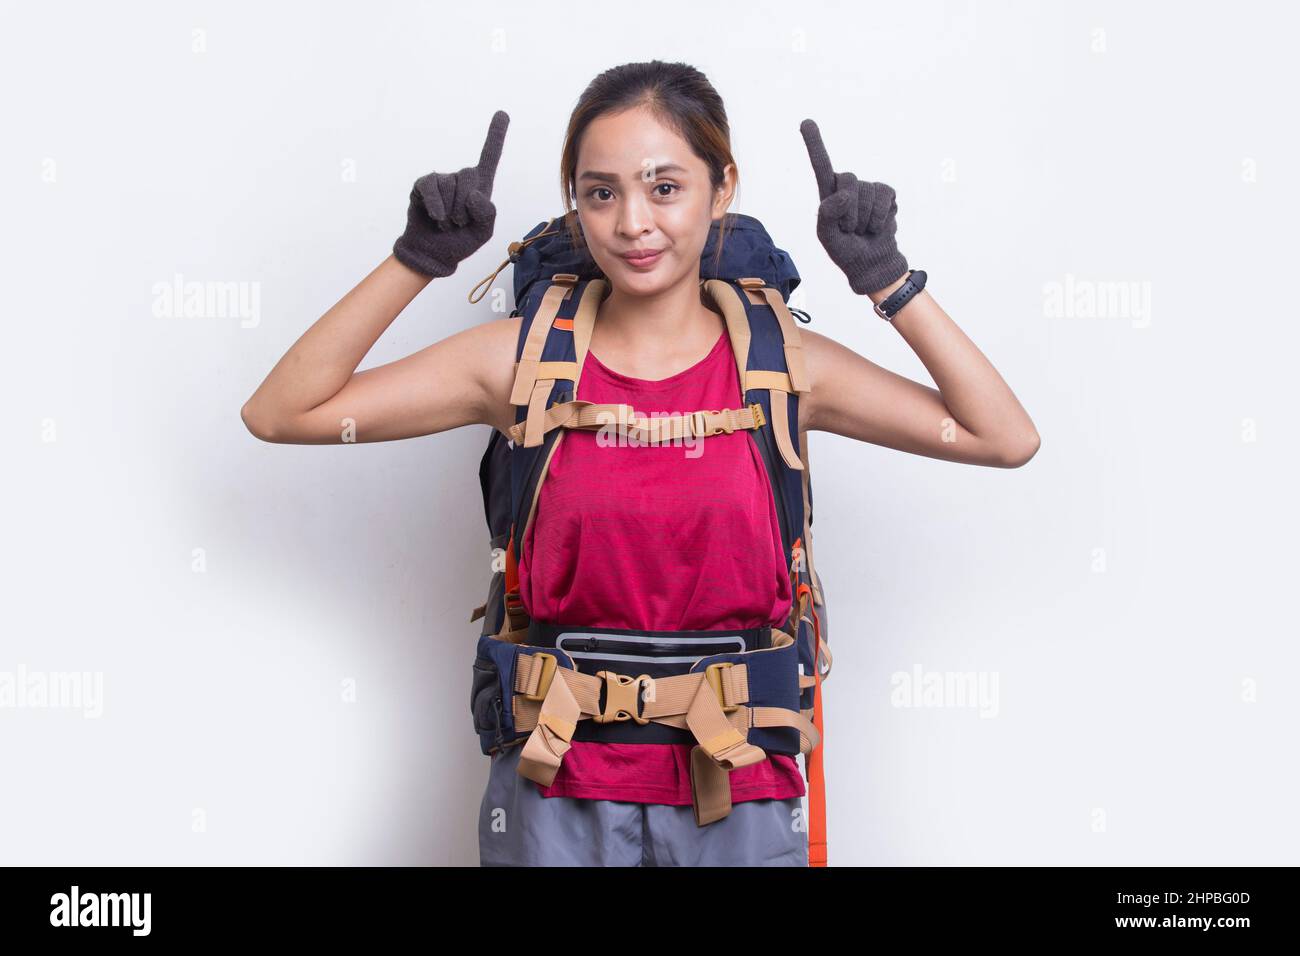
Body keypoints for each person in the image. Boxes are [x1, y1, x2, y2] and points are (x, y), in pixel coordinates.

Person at [240, 60, 1040, 867]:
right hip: (555, 786)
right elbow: (282, 412)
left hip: (745, 789)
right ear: (575, 200)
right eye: (601, 192)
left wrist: (888, 280)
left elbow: (1003, 437)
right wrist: (417, 258)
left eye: (665, 188)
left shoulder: (785, 366)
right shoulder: (520, 361)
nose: (631, 223)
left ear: (722, 188)